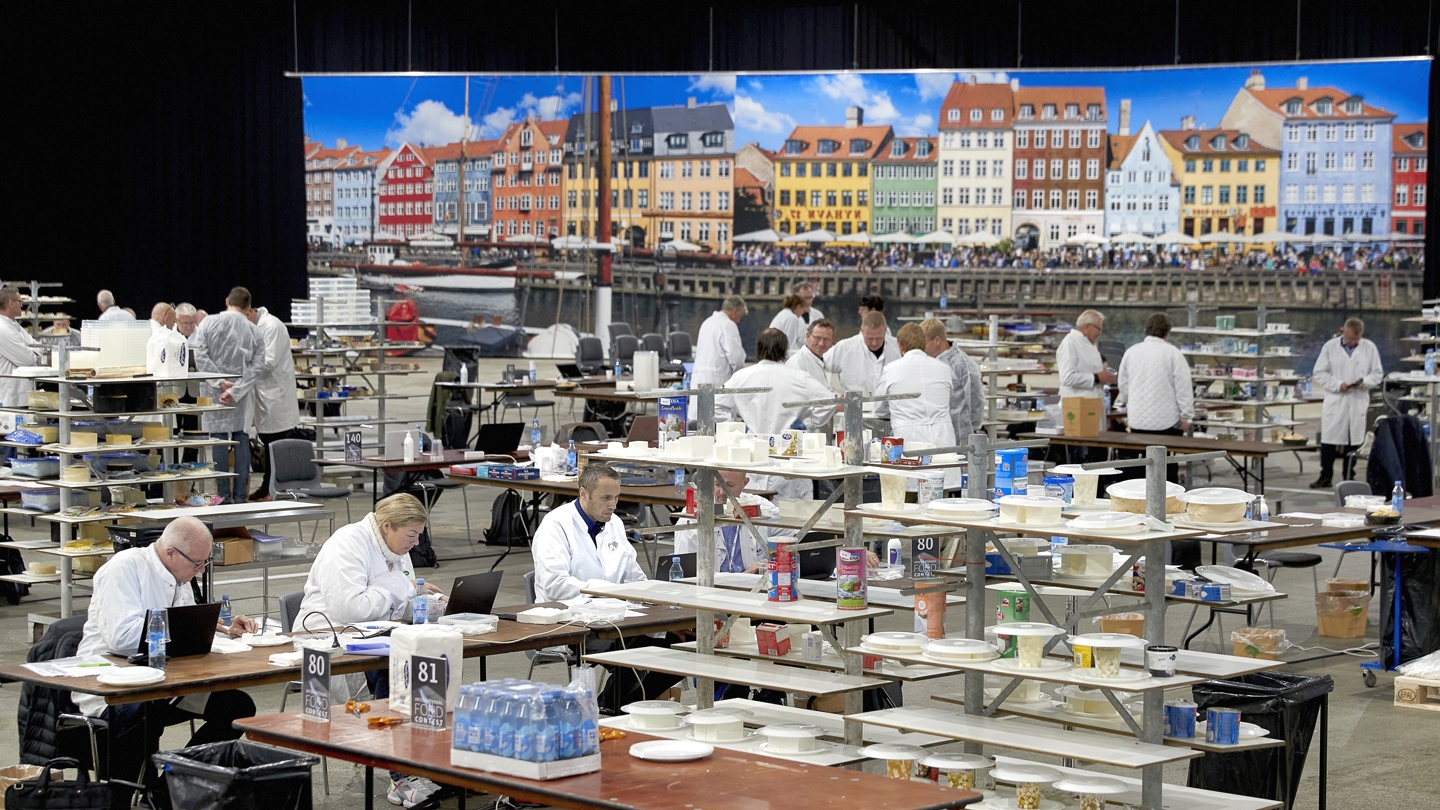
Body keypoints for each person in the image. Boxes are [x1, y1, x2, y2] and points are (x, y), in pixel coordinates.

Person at [72, 518, 258, 791]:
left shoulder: (179, 576)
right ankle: (125, 795)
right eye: (196, 563)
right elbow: (121, 639)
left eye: (204, 562)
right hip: (113, 684)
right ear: (171, 552)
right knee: (141, 713)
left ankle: (173, 785)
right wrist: (176, 628)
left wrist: (222, 629)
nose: (200, 570)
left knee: (237, 706)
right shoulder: (124, 568)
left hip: (166, 681)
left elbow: (187, 629)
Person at [296, 492, 447, 808]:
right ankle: (400, 775)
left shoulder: (394, 546)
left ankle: (423, 761)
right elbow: (351, 608)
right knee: (394, 674)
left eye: (419, 535)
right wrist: (394, 588)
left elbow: (398, 594)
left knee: (429, 663)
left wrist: (421, 597)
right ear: (388, 525)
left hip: (376, 636)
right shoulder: (347, 544)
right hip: (327, 639)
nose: (416, 544)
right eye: (411, 535)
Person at [530, 464, 678, 708]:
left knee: (676, 645)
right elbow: (555, 586)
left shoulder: (614, 523)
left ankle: (614, 705)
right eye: (606, 498)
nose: (613, 504)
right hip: (569, 621)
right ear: (583, 494)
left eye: (617, 497)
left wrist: (651, 595)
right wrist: (610, 592)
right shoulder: (554, 526)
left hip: (618, 615)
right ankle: (613, 706)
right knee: (639, 646)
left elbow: (633, 573)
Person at [716, 329, 838, 500]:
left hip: (752, 454)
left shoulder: (741, 377)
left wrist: (735, 431)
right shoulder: (798, 377)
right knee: (790, 519)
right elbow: (829, 401)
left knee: (750, 514)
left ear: (758, 348)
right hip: (788, 454)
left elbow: (716, 404)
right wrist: (807, 424)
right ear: (784, 350)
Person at [189, 287, 264, 503]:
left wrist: (220, 382)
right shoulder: (253, 330)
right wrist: (237, 389)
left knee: (219, 441)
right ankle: (240, 497)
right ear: (248, 307)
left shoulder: (208, 323)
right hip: (241, 394)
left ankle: (222, 496)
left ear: (227, 301)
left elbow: (200, 356)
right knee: (241, 439)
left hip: (215, 393)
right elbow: (259, 365)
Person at [874, 323, 959, 488]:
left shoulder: (891, 369)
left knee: (910, 495)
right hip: (942, 436)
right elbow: (950, 399)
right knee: (942, 492)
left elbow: (879, 407)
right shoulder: (943, 368)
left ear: (901, 345)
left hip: (908, 437)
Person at [1310, 317, 1384, 488]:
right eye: (1350, 339)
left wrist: (1364, 382)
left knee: (1353, 441)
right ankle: (1325, 475)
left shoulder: (1369, 348)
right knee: (1329, 440)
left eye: (1356, 340)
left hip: (1357, 399)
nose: (1352, 342)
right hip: (1336, 399)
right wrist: (1337, 385)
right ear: (1344, 331)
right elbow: (1319, 372)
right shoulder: (1330, 347)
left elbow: (1377, 374)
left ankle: (1349, 475)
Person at [673, 469, 794, 573]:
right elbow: (686, 571)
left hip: (755, 587)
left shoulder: (761, 507)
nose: (722, 492)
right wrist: (742, 576)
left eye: (729, 486)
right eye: (717, 484)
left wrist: (766, 563)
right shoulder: (693, 516)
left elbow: (795, 539)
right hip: (710, 591)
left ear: (745, 483)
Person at [250, 302, 300, 500]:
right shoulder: (254, 326)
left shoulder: (273, 326)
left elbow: (269, 361)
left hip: (276, 395)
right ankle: (267, 486)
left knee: (275, 444)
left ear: (248, 310)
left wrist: (244, 363)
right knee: (268, 442)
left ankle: (273, 489)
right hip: (264, 395)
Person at [920, 318, 984, 443]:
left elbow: (976, 400)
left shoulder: (962, 364)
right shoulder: (927, 361)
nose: (922, 349)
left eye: (924, 344)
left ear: (937, 340)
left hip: (959, 434)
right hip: (932, 433)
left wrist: (972, 427)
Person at [825, 310, 900, 396]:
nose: (874, 343)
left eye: (879, 338)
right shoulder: (844, 348)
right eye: (870, 338)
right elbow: (819, 367)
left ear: (886, 330)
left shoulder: (898, 347)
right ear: (862, 330)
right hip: (854, 407)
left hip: (890, 407)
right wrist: (834, 396)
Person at [1058, 309, 1116, 398]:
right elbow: (1067, 378)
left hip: (1093, 402)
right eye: (1099, 329)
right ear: (1088, 326)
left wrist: (1105, 376)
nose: (1100, 333)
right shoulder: (1070, 343)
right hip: (1076, 403)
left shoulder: (1089, 344)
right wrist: (1096, 378)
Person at [693, 296, 748, 391]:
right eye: (740, 316)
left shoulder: (707, 322)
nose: (739, 321)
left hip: (698, 378)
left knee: (700, 405)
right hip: (717, 381)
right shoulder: (728, 325)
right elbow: (736, 358)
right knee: (716, 405)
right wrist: (740, 379)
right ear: (735, 312)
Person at [0, 287, 40, 410]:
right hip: (9, 396)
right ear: (11, 303)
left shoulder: (14, 324)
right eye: (20, 302)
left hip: (21, 394)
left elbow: (37, 346)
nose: (22, 306)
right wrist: (32, 352)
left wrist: (32, 351)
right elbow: (29, 359)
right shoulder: (2, 328)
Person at [786, 318, 835, 389]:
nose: (821, 343)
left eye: (826, 339)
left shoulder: (824, 360)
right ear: (808, 336)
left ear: (832, 342)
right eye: (817, 338)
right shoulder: (798, 362)